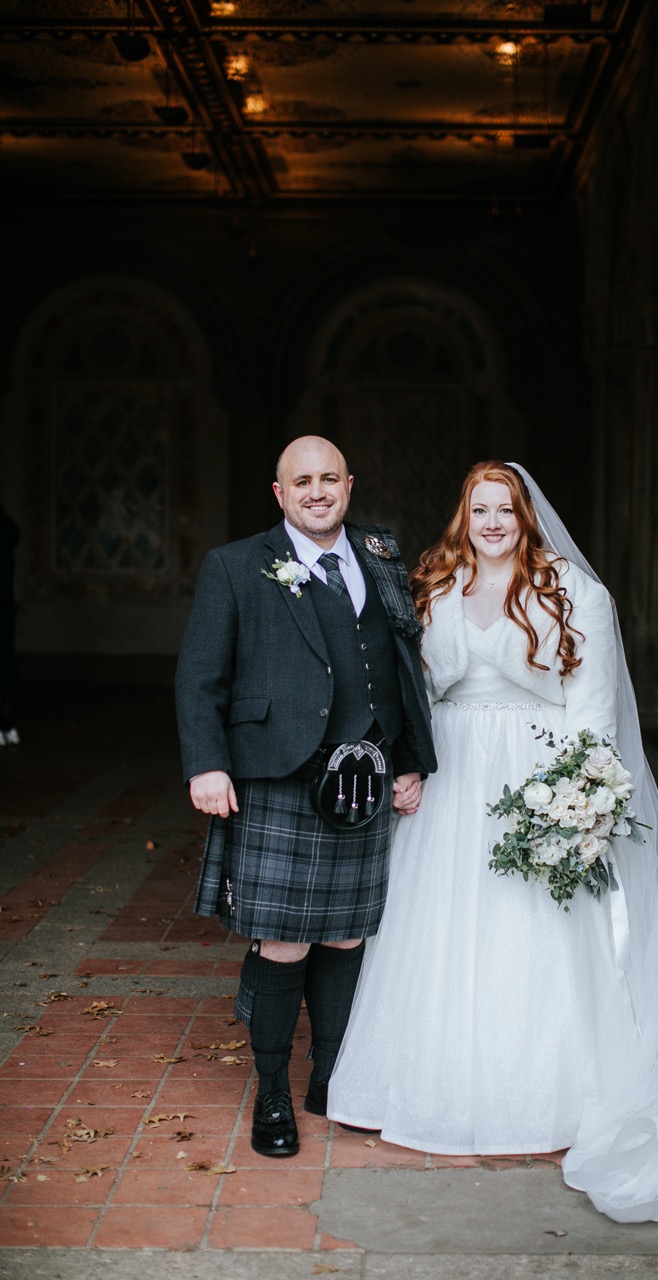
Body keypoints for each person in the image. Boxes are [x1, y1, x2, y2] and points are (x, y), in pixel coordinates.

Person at [327, 460, 658, 1227]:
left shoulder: (575, 593)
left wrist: (577, 800)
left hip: (537, 783)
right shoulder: (431, 586)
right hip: (450, 788)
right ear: (462, 517)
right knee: (439, 931)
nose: (495, 522)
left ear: (527, 516)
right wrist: (406, 765)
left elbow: (595, 709)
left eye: (506, 509)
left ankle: (548, 1094)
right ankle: (434, 1088)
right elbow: (409, 694)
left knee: (534, 932)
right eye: (481, 510)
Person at [175, 436, 436, 1160]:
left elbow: (402, 666)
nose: (317, 491)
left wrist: (410, 761)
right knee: (284, 938)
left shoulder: (381, 555)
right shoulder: (235, 565)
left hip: (365, 775)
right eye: (302, 481)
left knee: (347, 933)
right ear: (279, 492)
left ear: (348, 485)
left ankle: (331, 1077)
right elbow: (200, 676)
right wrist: (207, 764)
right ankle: (272, 1093)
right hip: (276, 775)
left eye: (329, 478)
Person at [0, 504, 21, 748]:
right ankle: (7, 723)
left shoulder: (5, 533)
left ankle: (5, 723)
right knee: (4, 669)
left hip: (4, 608)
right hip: (6, 607)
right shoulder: (8, 532)